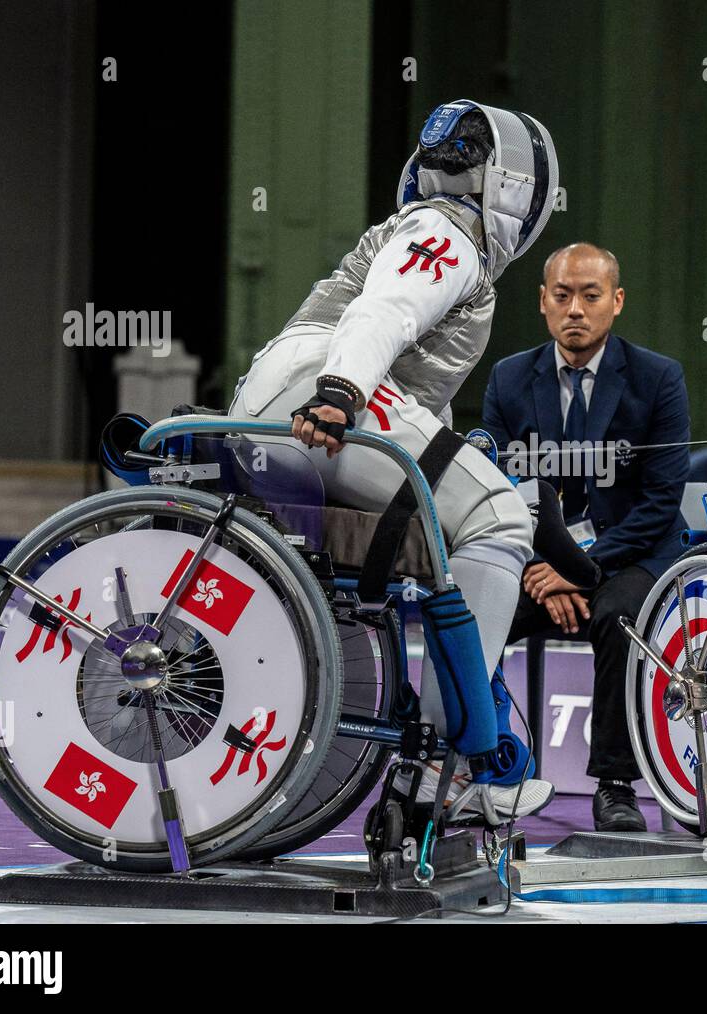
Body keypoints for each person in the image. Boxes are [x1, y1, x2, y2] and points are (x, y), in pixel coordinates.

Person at [230, 99, 560, 824]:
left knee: (462, 510)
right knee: (500, 516)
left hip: (286, 403)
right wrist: (341, 395)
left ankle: (435, 757)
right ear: (513, 184)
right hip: (323, 393)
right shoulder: (449, 230)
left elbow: (416, 392)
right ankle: (452, 763)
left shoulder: (422, 225)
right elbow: (383, 314)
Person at [482, 243, 690, 831]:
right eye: (562, 295)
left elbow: (659, 505)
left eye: (590, 296)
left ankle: (616, 785)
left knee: (618, 617)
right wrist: (536, 573)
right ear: (543, 302)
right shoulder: (509, 377)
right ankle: (483, 768)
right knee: (474, 614)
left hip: (632, 553)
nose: (576, 309)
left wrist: (583, 567)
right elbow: (498, 495)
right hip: (540, 562)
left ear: (616, 302)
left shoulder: (658, 378)